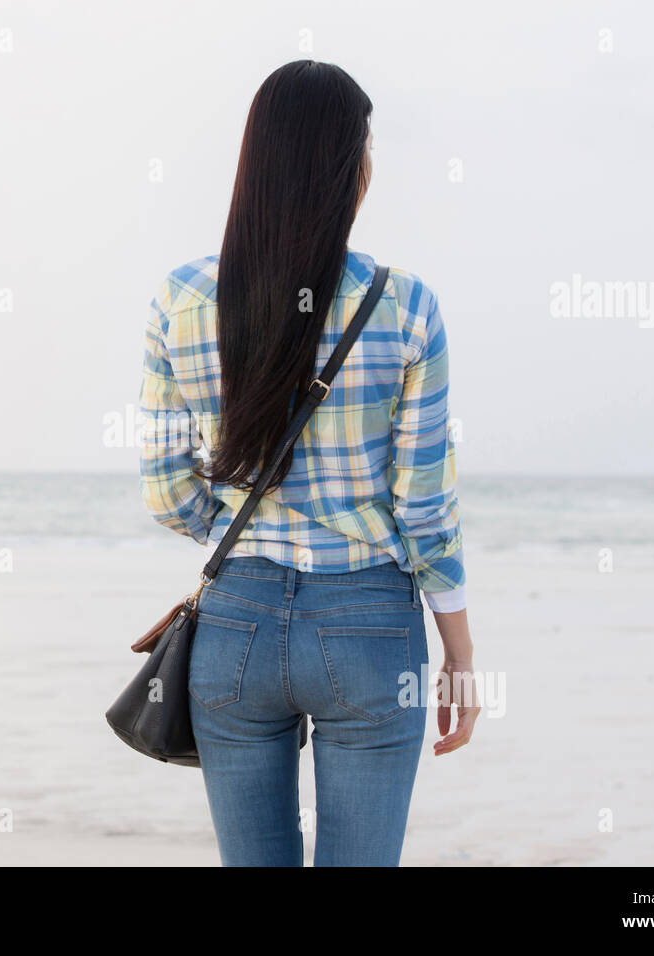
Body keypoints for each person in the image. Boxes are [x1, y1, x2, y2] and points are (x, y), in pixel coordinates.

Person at [139, 60, 478, 867]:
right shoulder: (405, 305)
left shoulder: (181, 299)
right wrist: (461, 653)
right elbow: (425, 508)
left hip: (236, 627)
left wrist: (229, 528)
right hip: (368, 626)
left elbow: (167, 493)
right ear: (352, 168)